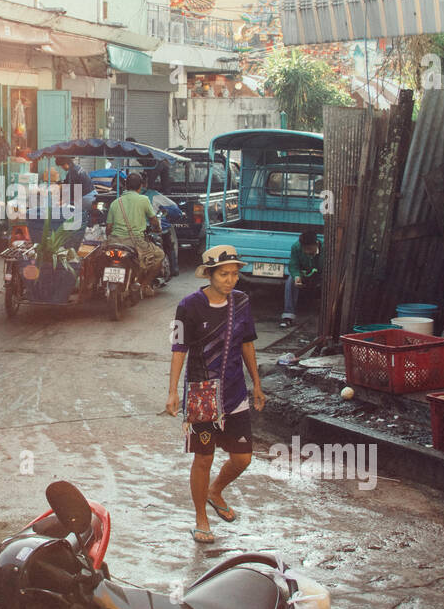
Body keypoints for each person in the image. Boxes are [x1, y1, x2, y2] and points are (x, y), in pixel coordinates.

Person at [166, 245, 265, 544]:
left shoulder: (242, 302)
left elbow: (247, 343)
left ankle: (215, 490)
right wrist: (173, 391)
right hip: (201, 393)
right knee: (203, 459)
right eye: (224, 274)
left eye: (235, 274)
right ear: (209, 274)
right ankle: (201, 517)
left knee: (242, 458)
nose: (230, 280)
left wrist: (257, 384)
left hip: (235, 391)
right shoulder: (188, 305)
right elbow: (178, 348)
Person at [106, 171, 164, 297]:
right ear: (140, 186)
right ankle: (144, 285)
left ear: (125, 186)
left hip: (114, 241)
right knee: (159, 255)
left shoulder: (115, 202)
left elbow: (108, 228)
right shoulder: (143, 200)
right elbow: (153, 220)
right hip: (136, 242)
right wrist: (157, 229)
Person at [281, 229, 322, 327]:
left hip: (320, 275)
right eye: (305, 249)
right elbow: (293, 265)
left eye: (309, 248)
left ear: (316, 244)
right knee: (290, 281)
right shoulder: (296, 247)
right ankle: (288, 316)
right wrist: (296, 276)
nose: (307, 251)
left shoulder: (325, 249)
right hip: (303, 274)